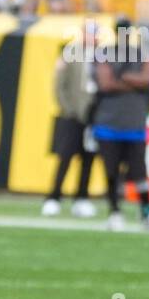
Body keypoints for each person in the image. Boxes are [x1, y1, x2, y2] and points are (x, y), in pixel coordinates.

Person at [93, 24, 149, 231]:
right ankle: (115, 213)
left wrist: (125, 78)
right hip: (109, 122)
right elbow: (106, 84)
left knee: (140, 173)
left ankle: (147, 215)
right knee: (111, 172)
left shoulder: (143, 53)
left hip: (134, 122)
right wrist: (134, 82)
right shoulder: (105, 52)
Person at [43, 19, 99, 218]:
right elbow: (60, 85)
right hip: (72, 114)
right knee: (65, 156)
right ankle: (53, 197)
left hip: (93, 116)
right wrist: (68, 108)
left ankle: (81, 198)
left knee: (88, 158)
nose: (92, 37)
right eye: (89, 33)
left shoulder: (103, 55)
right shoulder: (70, 52)